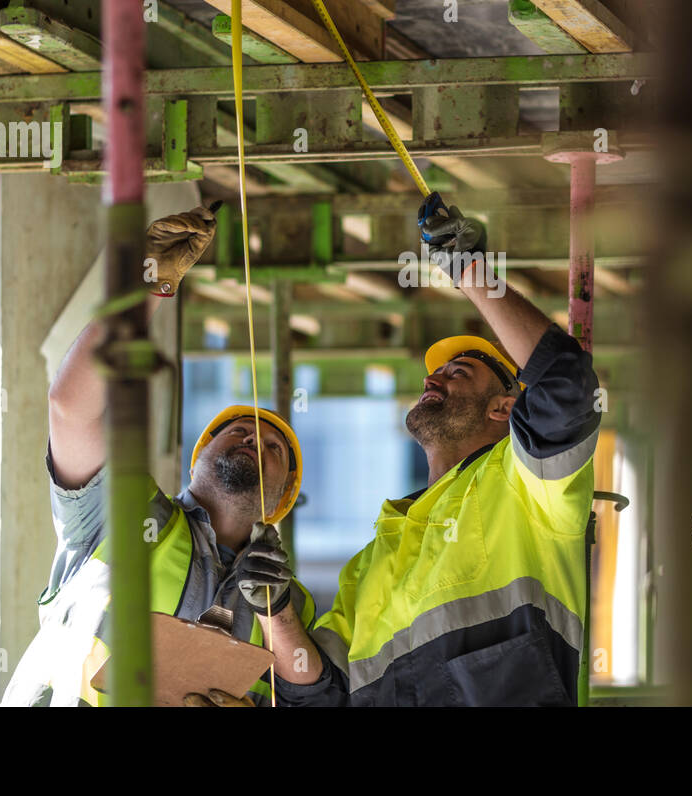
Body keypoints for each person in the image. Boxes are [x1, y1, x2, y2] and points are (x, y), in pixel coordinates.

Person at [248, 193, 603, 705]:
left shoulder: (527, 483)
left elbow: (566, 385)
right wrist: (272, 607)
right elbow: (319, 692)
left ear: (504, 408)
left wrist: (471, 270)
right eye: (434, 372)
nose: (433, 378)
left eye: (458, 372)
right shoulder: (371, 562)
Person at [2, 205, 313, 706]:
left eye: (273, 446)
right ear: (197, 462)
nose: (253, 438)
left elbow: (309, 694)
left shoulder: (286, 607)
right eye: (233, 431)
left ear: (281, 500)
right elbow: (70, 409)